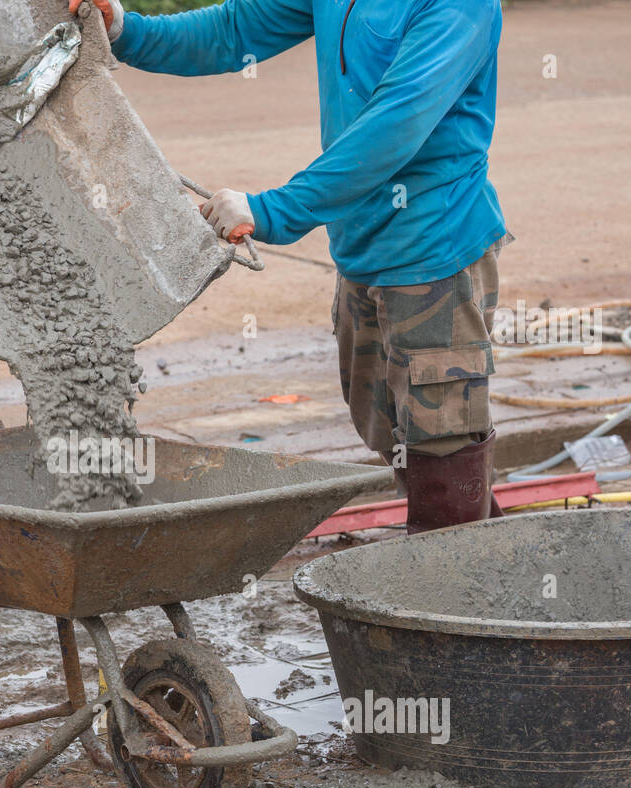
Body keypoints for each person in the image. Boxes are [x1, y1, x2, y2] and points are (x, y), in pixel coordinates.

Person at [71, 0, 512, 532]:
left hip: (436, 255)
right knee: (391, 432)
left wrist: (273, 210)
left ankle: (454, 586)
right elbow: (236, 31)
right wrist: (124, 29)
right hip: (360, 248)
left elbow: (397, 122)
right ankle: (466, 559)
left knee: (442, 440)